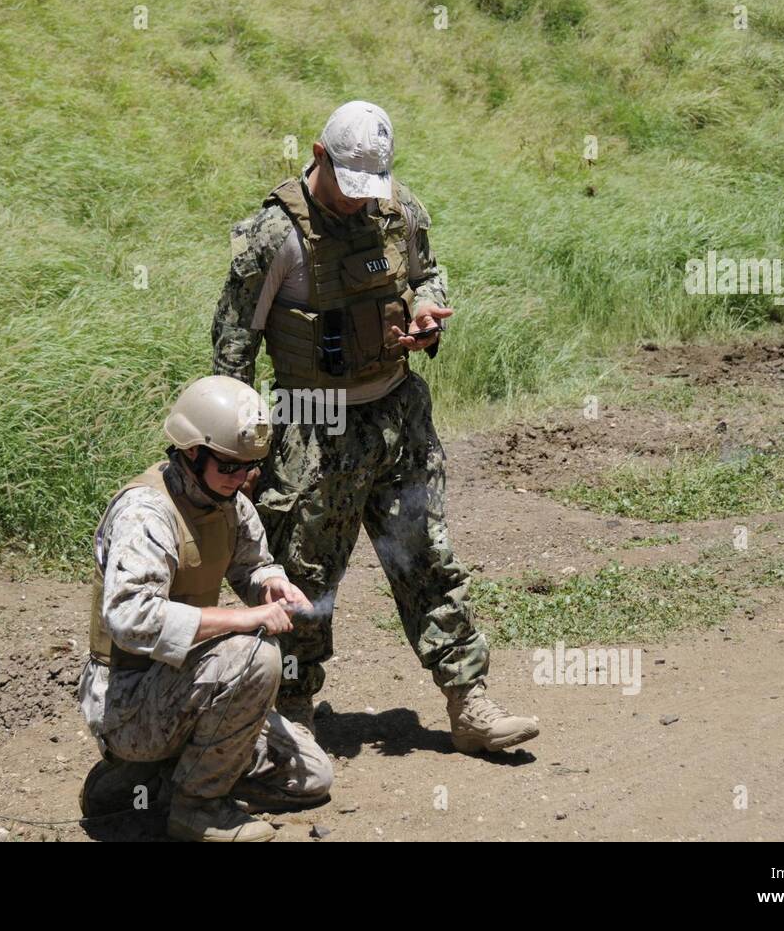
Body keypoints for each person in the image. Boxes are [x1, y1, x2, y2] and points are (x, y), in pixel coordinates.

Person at [211, 100, 539, 754]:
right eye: (348, 187)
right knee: (302, 576)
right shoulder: (272, 239)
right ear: (317, 154)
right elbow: (232, 351)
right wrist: (235, 453)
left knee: (427, 555)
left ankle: (467, 701)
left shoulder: (401, 210)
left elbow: (427, 274)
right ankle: (293, 715)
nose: (361, 203)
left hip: (396, 412)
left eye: (372, 189)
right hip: (313, 422)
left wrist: (426, 313)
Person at [77, 375, 333, 842]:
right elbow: (132, 619)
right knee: (255, 657)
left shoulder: (230, 503)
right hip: (129, 703)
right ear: (192, 452)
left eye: (250, 468)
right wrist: (246, 619)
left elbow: (254, 566)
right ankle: (196, 807)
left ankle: (152, 781)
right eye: (230, 467)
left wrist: (272, 586)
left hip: (182, 687)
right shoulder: (147, 513)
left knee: (311, 776)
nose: (242, 479)